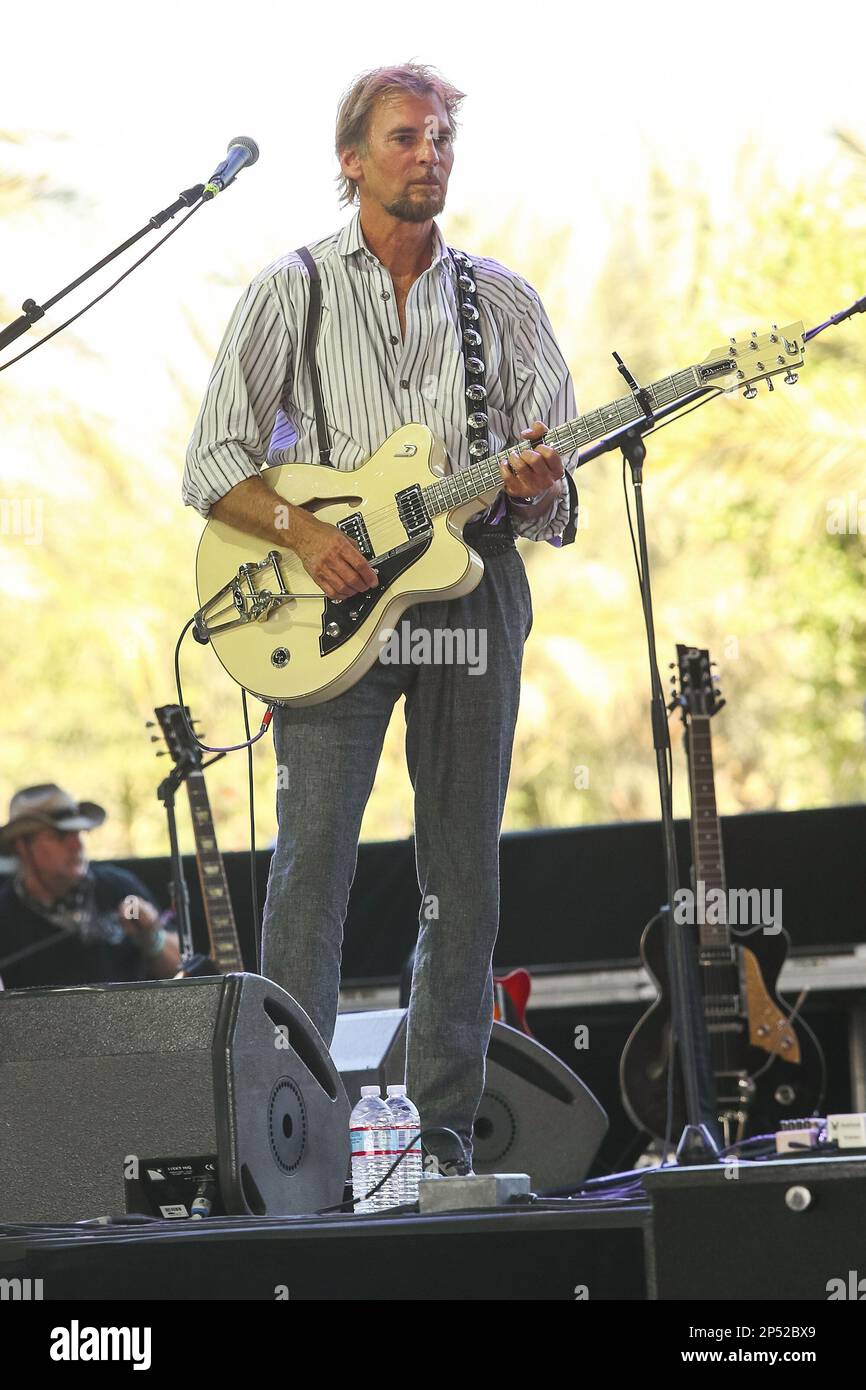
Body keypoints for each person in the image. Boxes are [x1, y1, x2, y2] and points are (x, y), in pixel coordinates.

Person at [183, 62, 578, 1175]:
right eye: (405, 137)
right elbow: (211, 463)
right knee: (311, 865)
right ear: (351, 159)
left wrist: (541, 484)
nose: (429, 154)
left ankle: (441, 1141)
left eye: (441, 138)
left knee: (463, 867)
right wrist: (305, 534)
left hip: (473, 586)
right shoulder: (291, 289)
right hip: (331, 605)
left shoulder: (495, 300)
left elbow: (555, 486)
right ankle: (290, 1141)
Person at [0, 783, 181, 990]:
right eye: (59, 836)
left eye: (79, 832)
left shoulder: (119, 886)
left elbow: (182, 972)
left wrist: (152, 937)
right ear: (21, 846)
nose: (77, 845)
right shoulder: (4, 914)